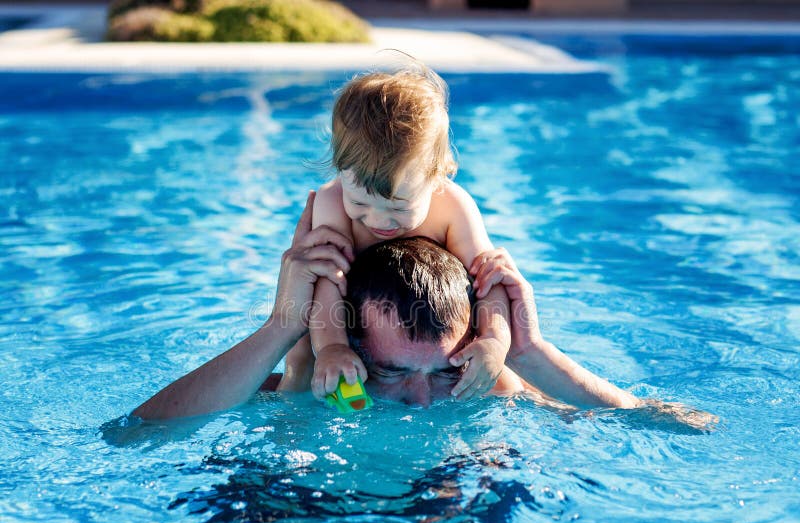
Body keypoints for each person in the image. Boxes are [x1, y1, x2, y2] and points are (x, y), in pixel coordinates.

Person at [132, 192, 640, 421]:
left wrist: (529, 351)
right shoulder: (308, 383)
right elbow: (134, 434)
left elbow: (670, 422)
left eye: (445, 373)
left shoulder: (489, 383)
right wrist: (284, 328)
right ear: (351, 347)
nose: (421, 400)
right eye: (392, 371)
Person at [281, 65, 512, 402]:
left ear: (436, 178)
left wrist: (495, 340)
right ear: (340, 170)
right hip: (347, 315)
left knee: (497, 372)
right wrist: (331, 347)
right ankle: (290, 421)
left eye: (398, 206)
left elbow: (488, 281)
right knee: (302, 353)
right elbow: (327, 282)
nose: (378, 219)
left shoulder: (453, 206)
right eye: (359, 202)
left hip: (429, 322)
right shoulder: (331, 201)